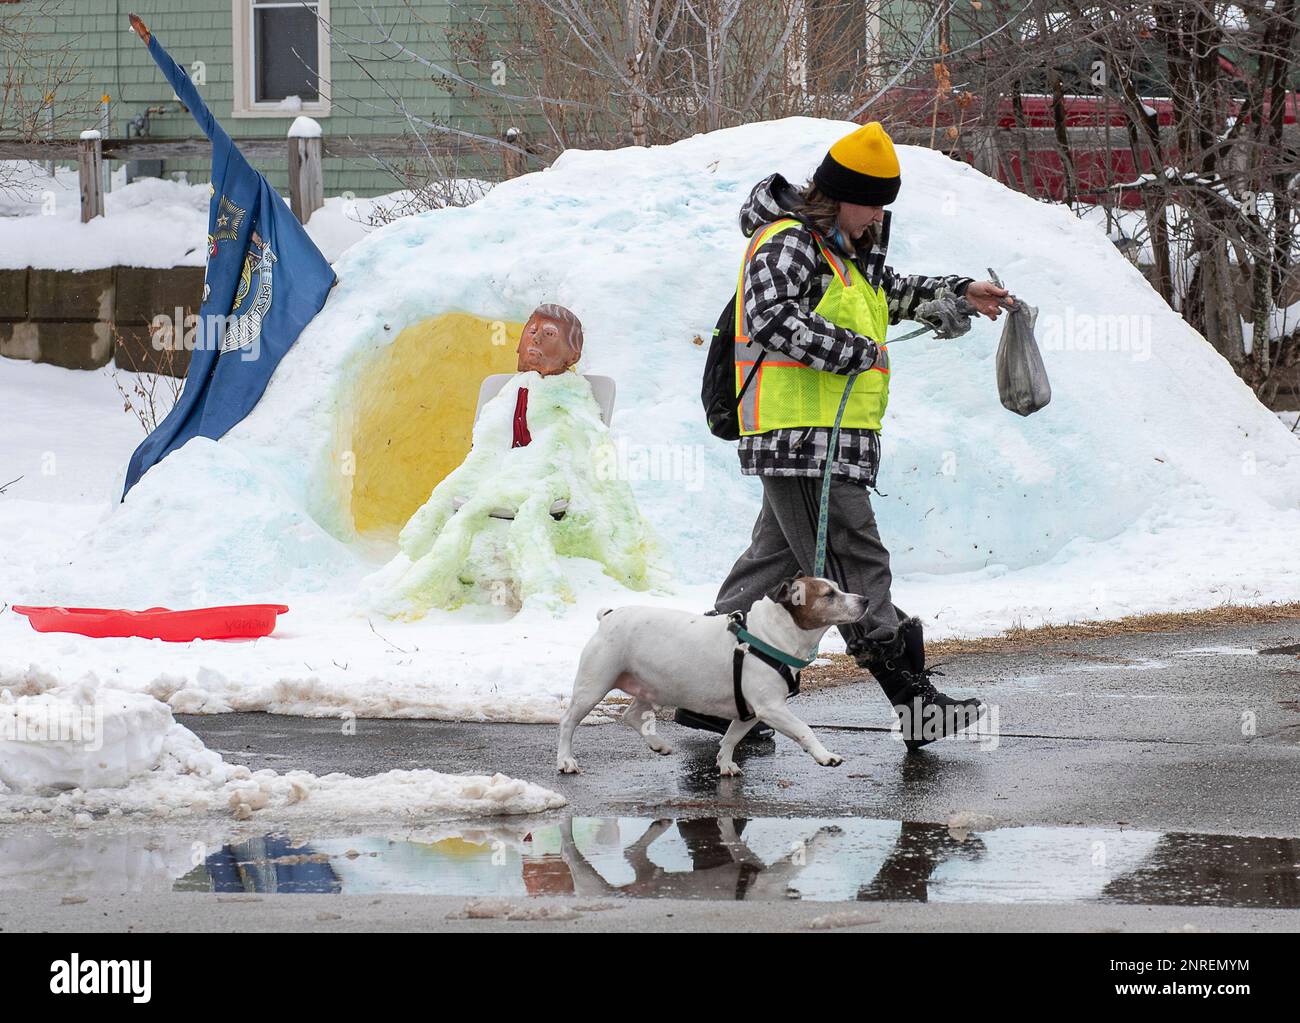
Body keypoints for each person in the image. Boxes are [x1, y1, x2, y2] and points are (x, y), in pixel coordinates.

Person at [675, 122, 1011, 750]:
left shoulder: (845, 253)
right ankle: (913, 703)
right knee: (856, 558)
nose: (879, 217)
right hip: (804, 440)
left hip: (830, 441)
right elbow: (771, 318)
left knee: (771, 566)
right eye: (872, 203)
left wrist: (957, 292)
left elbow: (888, 293)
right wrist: (851, 351)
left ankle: (711, 703)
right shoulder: (788, 243)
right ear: (838, 196)